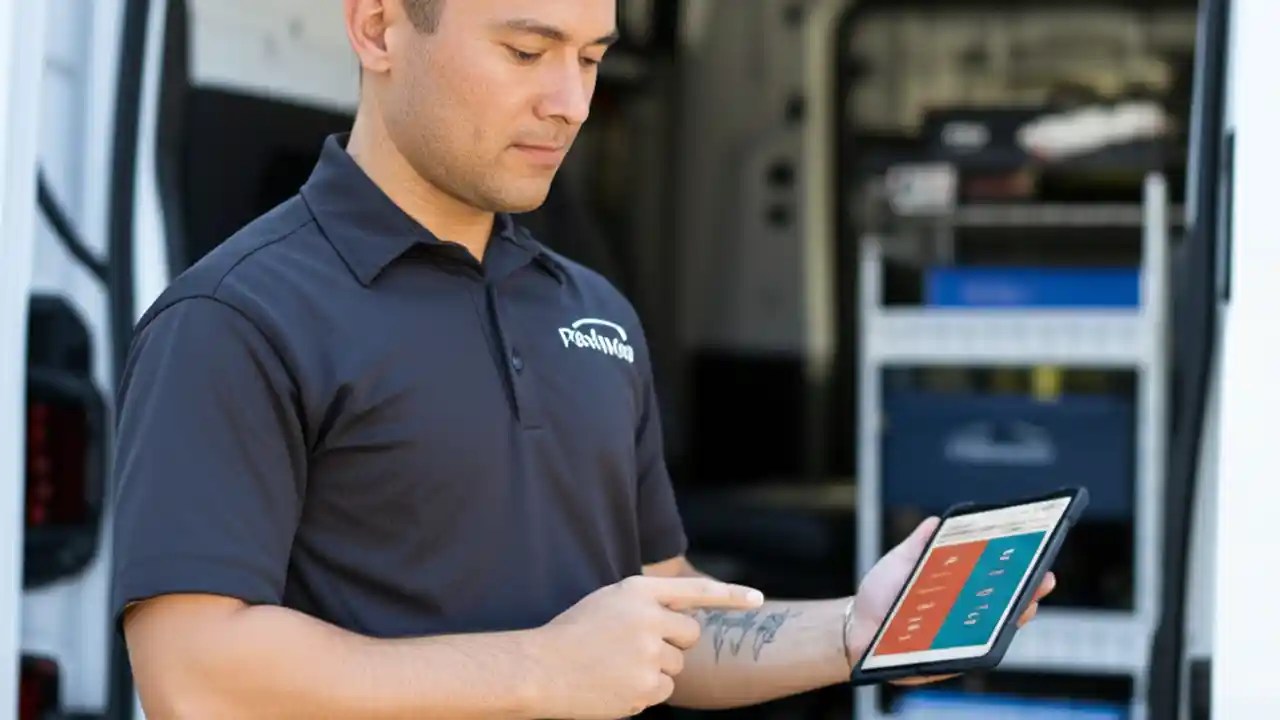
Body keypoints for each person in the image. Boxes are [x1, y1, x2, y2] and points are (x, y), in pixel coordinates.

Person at [111, 0, 1056, 717]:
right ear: (378, 28)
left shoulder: (592, 311)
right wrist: (541, 669)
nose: (568, 103)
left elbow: (658, 623)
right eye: (526, 51)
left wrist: (855, 628)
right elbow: (193, 676)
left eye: (591, 57)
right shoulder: (234, 318)